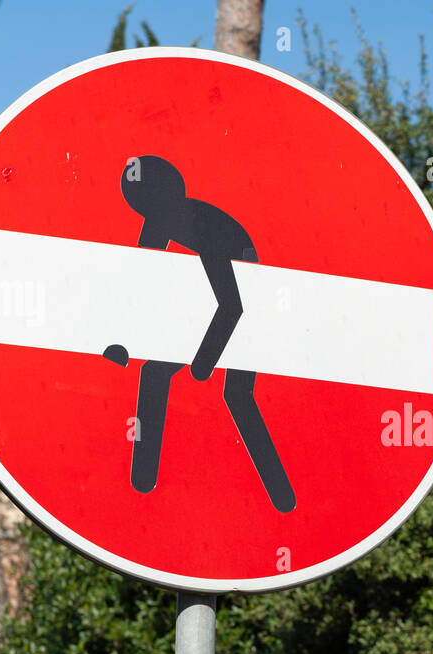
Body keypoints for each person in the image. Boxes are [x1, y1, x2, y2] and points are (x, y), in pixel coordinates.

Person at [104, 155, 296, 512]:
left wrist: (204, 360)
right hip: (213, 303)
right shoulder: (161, 220)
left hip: (247, 298)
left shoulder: (207, 227)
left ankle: (285, 503)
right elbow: (142, 280)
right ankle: (141, 490)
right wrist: (120, 342)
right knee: (156, 372)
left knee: (238, 393)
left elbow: (233, 305)